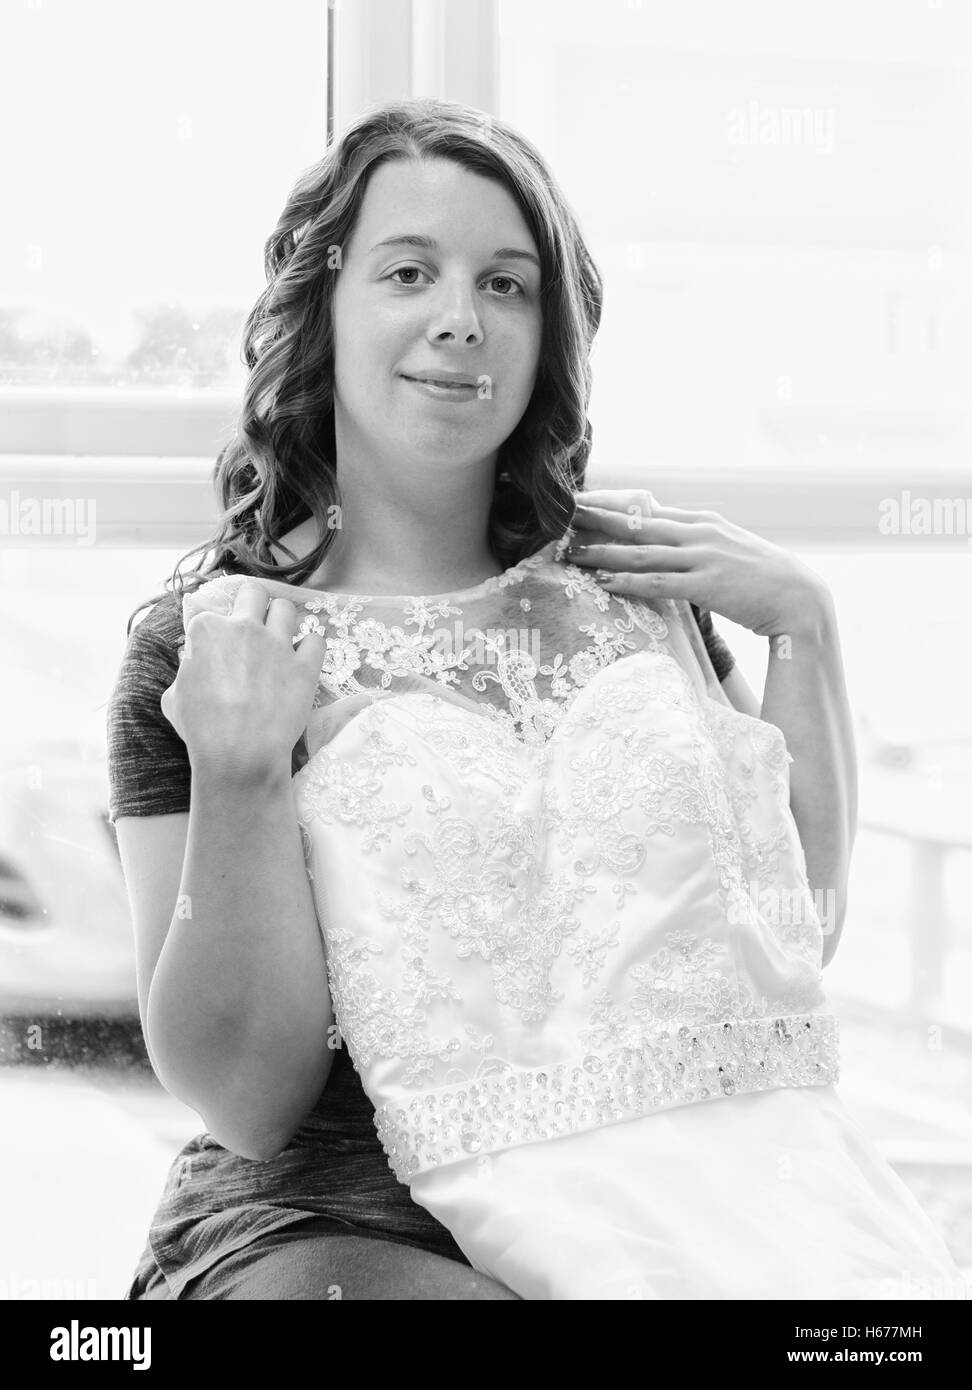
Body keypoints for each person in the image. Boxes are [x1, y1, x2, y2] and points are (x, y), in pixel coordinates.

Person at [107, 97, 962, 1300]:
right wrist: (242, 772)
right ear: (325, 308)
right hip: (334, 1227)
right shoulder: (208, 648)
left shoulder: (637, 602)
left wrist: (805, 632)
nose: (461, 321)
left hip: (666, 1205)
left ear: (548, 332)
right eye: (411, 272)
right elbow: (248, 1099)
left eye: (508, 285)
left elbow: (785, 945)